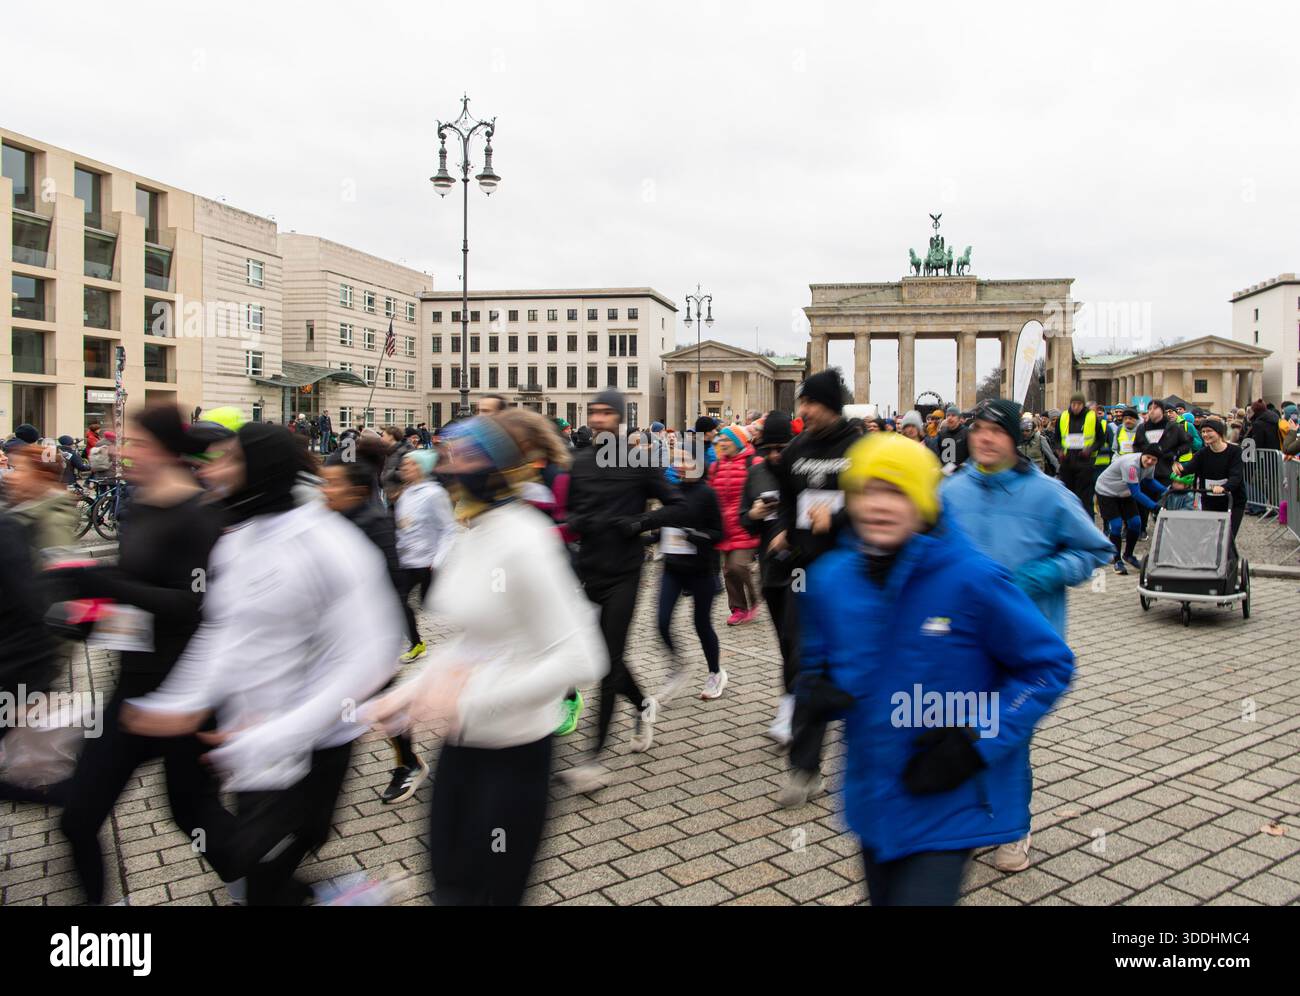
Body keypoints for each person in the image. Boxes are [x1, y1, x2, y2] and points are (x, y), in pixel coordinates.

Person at [122, 423, 402, 906]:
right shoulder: (237, 542)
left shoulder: (329, 543)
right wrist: (179, 702)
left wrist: (278, 733)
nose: (215, 471)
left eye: (230, 459)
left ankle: (346, 898)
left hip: (316, 747)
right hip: (252, 748)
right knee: (256, 879)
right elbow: (222, 632)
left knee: (259, 869)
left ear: (262, 467)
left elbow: (373, 653)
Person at [805, 432, 1073, 905]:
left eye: (898, 492)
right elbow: (816, 657)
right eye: (869, 491)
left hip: (948, 801)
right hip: (873, 803)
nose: (880, 506)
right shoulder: (832, 579)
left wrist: (975, 739)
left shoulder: (972, 578)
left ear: (923, 503)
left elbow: (1047, 668)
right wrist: (816, 687)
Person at [365, 416, 607, 905]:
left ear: (500, 467)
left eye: (467, 457)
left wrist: (473, 702)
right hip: (461, 751)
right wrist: (408, 694)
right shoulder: (472, 530)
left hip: (514, 757)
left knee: (484, 895)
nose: (453, 469)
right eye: (449, 456)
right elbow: (475, 639)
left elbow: (582, 655)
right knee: (447, 885)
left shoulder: (525, 538)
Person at [54, 405, 242, 904]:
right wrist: (88, 618)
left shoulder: (200, 516)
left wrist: (101, 581)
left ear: (162, 450)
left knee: (194, 816)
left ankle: (289, 892)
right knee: (78, 816)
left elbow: (190, 605)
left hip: (186, 695)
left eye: (133, 443)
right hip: (133, 690)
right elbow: (135, 598)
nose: (121, 451)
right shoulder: (138, 507)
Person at [941, 399, 1111, 871]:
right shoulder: (951, 491)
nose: (986, 438)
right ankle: (977, 819)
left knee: (1007, 735)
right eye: (979, 430)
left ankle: (1014, 830)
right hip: (965, 639)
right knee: (967, 728)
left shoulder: (1050, 495)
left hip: (1026, 640)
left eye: (998, 431)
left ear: (1016, 439)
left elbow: (1095, 550)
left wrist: (1032, 577)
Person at [562, 389, 684, 792]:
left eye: (604, 413)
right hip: (589, 571)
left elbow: (678, 505)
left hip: (626, 574)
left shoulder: (639, 461)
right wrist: (577, 522)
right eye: (592, 413)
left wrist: (641, 526)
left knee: (608, 663)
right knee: (599, 658)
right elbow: (573, 513)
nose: (597, 420)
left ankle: (592, 759)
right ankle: (644, 703)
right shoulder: (579, 462)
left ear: (619, 417)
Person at [319, 455, 429, 806]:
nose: (325, 489)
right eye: (323, 481)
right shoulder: (325, 521)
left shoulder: (372, 522)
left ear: (356, 490)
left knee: (381, 701)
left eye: (332, 483)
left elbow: (392, 582)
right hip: (331, 635)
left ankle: (408, 762)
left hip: (367, 635)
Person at [770, 369, 858, 807]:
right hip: (806, 571)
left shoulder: (860, 448)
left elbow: (878, 498)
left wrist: (839, 519)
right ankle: (805, 770)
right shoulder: (797, 449)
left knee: (855, 667)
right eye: (801, 403)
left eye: (811, 403)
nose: (802, 410)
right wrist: (784, 528)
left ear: (832, 406)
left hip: (854, 571)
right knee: (805, 660)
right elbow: (787, 497)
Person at [739, 409, 799, 742]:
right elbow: (743, 520)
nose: (775, 455)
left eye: (782, 448)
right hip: (771, 570)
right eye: (770, 449)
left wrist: (790, 532)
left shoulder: (802, 470)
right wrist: (754, 512)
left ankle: (790, 707)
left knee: (795, 637)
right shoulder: (756, 474)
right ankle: (796, 699)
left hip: (801, 570)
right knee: (784, 642)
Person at [655, 447, 726, 701]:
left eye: (684, 459)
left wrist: (694, 536)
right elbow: (665, 522)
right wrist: (652, 533)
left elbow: (719, 534)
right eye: (677, 459)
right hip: (673, 568)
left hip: (701, 569)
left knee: (702, 624)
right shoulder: (673, 492)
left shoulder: (708, 493)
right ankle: (678, 665)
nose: (678, 464)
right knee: (662, 622)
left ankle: (715, 673)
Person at [709, 423, 762, 625]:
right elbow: (710, 495)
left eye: (727, 440)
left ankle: (755, 597)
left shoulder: (753, 462)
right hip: (725, 526)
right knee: (729, 571)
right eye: (720, 440)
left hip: (745, 524)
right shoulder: (716, 466)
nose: (722, 443)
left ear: (739, 442)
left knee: (738, 565)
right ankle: (738, 609)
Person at [1094, 445, 1166, 573]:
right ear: (1143, 454)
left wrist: (1166, 490)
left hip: (1124, 493)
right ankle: (1117, 560)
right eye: (1148, 457)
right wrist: (1155, 507)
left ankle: (1129, 555)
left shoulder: (1150, 465)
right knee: (1116, 526)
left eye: (1154, 460)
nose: (1149, 461)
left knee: (1136, 523)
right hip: (1107, 492)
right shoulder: (1131, 466)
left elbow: (1149, 482)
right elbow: (1136, 493)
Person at [1179, 418, 1245, 543]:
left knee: (1227, 537)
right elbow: (1188, 468)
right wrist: (1179, 469)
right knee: (1210, 536)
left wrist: (1224, 487)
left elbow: (1236, 476)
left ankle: (1229, 560)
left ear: (1219, 432)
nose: (1205, 434)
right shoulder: (1202, 454)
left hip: (1233, 500)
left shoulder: (1235, 452)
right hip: (1210, 500)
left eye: (1209, 431)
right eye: (1203, 431)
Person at [1053, 391, 1103, 515]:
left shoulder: (1091, 417)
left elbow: (1100, 439)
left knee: (1085, 500)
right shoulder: (1063, 416)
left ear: (1083, 405)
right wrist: (1059, 451)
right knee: (1067, 497)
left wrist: (1090, 450)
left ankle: (1087, 525)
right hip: (1067, 463)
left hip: (1085, 464)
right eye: (1073, 404)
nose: (1075, 407)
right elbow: (1057, 439)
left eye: (1078, 404)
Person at [927, 404, 969, 473]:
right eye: (948, 415)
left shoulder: (966, 433)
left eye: (953, 415)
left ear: (959, 418)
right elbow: (938, 454)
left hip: (961, 474)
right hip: (945, 474)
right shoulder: (942, 434)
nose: (950, 418)